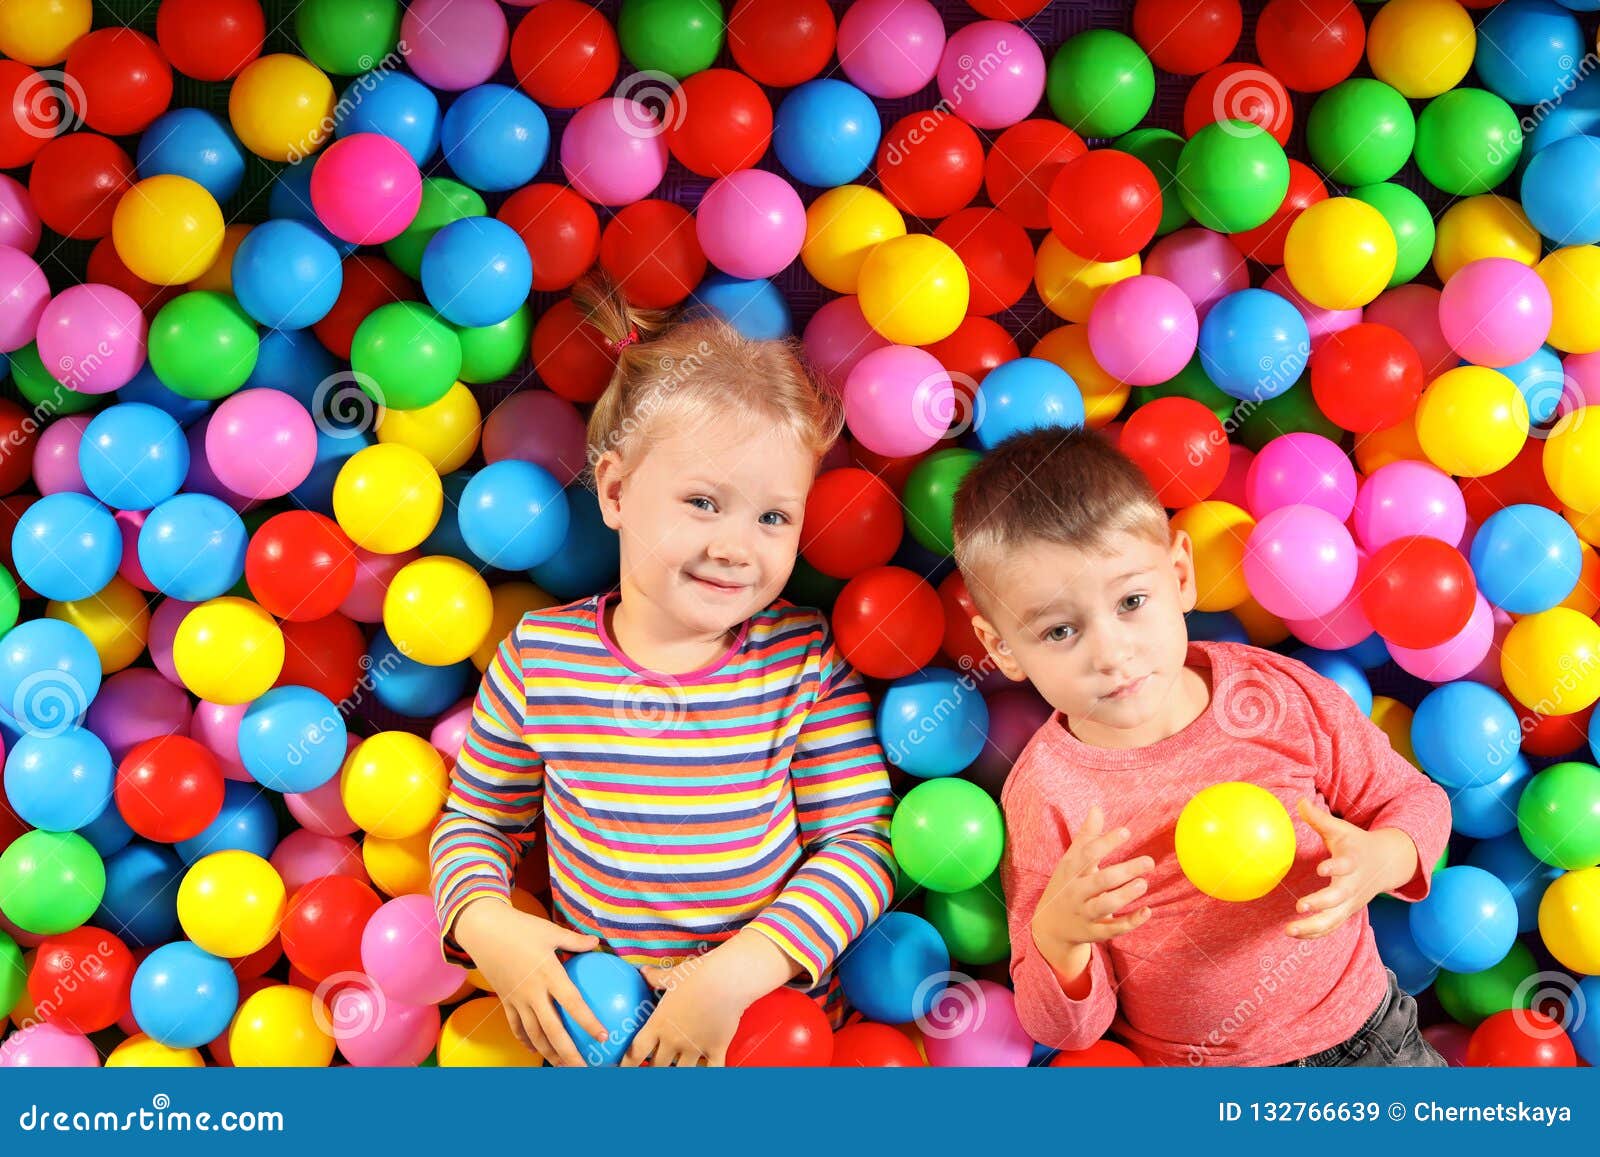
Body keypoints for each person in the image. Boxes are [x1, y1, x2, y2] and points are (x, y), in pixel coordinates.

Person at [428, 275, 895, 1067]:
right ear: (614, 490)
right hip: (599, 1040)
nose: (735, 544)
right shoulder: (541, 659)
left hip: (771, 1034)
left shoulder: (805, 662)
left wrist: (733, 977)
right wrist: (484, 922)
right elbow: (477, 819)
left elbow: (857, 843)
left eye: (773, 516)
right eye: (704, 503)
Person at [950, 426, 1452, 1067]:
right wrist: (1059, 937)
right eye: (1059, 630)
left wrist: (1383, 857)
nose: (1112, 653)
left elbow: (1414, 799)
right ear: (1000, 649)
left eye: (1132, 600)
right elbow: (1067, 1030)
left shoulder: (1275, 696)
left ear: (1180, 575)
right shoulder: (1049, 793)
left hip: (1368, 1040)